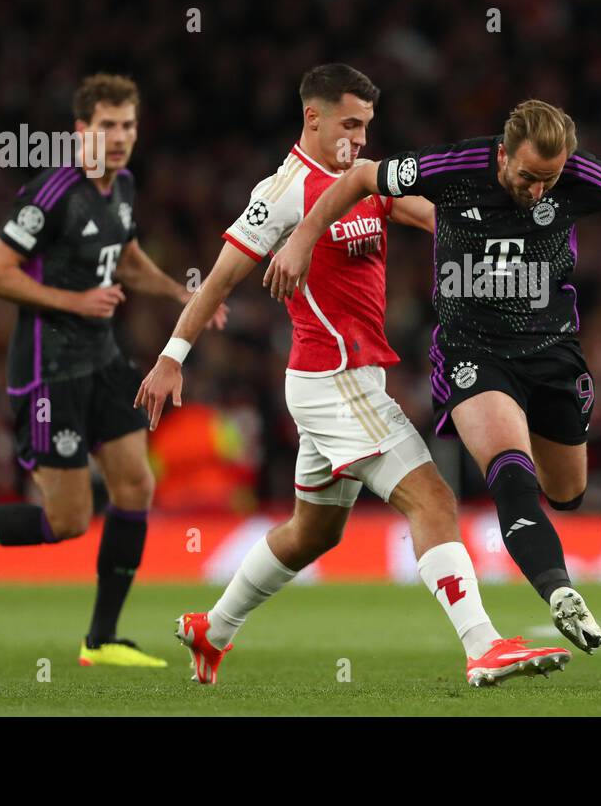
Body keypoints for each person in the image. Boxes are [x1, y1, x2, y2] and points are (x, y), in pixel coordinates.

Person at [264, 99, 601, 653]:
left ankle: (554, 550)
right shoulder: (450, 168)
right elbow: (359, 178)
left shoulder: (579, 175)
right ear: (502, 154)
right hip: (472, 351)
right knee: (511, 474)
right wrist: (304, 237)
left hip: (552, 353)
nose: (539, 191)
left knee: (567, 492)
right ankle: (559, 591)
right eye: (527, 176)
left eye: (549, 179)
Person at [135, 64, 569, 686]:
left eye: (366, 125)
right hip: (333, 379)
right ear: (312, 118)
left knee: (311, 533)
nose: (360, 139)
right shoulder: (285, 191)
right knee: (434, 500)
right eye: (349, 124)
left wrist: (508, 221)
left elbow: (431, 216)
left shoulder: (363, 178)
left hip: (349, 379)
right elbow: (222, 275)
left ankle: (214, 628)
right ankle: (482, 645)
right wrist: (172, 355)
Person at [0, 73, 226, 667]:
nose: (120, 137)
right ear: (81, 130)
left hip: (100, 360)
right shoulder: (52, 192)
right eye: (107, 126)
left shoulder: (122, 185)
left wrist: (185, 296)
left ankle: (101, 640)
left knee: (135, 485)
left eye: (128, 125)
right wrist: (76, 302)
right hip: (50, 372)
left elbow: (125, 261)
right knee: (67, 519)